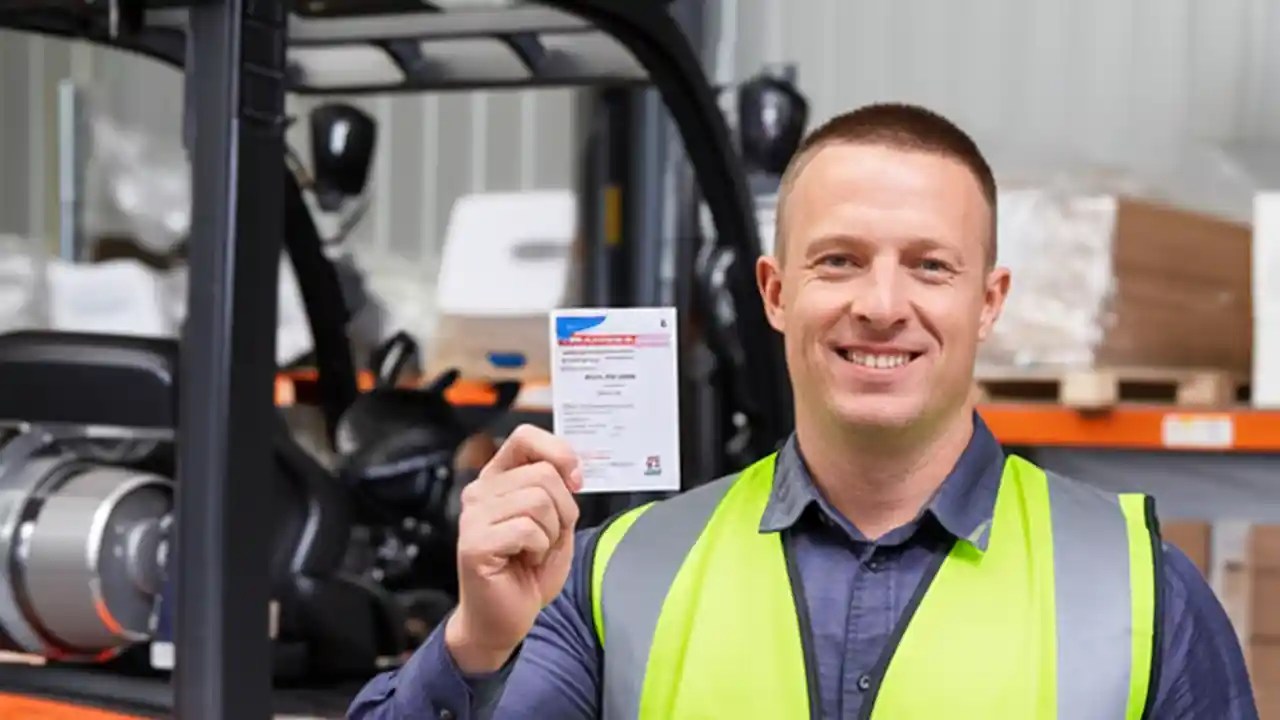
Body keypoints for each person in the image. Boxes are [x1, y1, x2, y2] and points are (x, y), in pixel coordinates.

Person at [346, 103, 1257, 719]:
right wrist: (475, 642)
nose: (882, 303)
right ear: (776, 293)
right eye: (839, 261)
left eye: (930, 266)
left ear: (988, 301)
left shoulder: (1141, 591)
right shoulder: (616, 579)